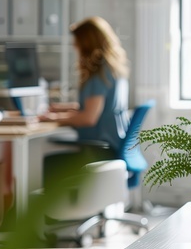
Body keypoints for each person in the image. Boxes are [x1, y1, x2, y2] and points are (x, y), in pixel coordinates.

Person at [40, 16, 130, 185]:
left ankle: (63, 211)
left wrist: (54, 118)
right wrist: (61, 109)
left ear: (87, 43)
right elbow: (94, 107)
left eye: (77, 41)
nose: (75, 46)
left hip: (99, 150)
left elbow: (89, 117)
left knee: (51, 162)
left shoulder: (99, 74)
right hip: (111, 145)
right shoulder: (111, 69)